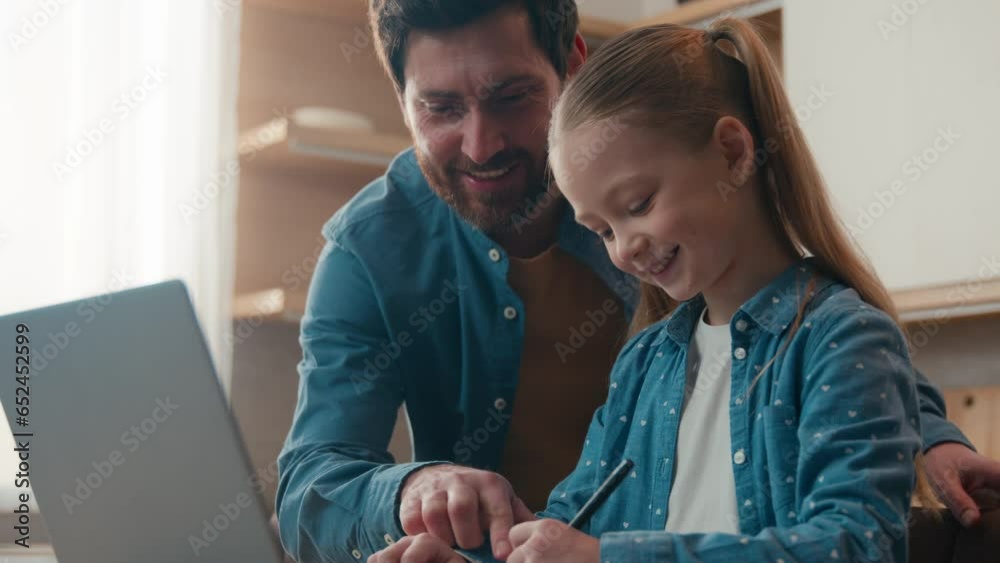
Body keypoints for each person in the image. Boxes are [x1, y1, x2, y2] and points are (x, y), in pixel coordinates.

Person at [275, 2, 1000, 562]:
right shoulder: (371, 250)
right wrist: (421, 501)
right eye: (440, 108)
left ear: (572, 66)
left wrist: (925, 433)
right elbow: (311, 481)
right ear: (401, 99)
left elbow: (828, 352)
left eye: (510, 96)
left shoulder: (663, 187)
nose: (480, 142)